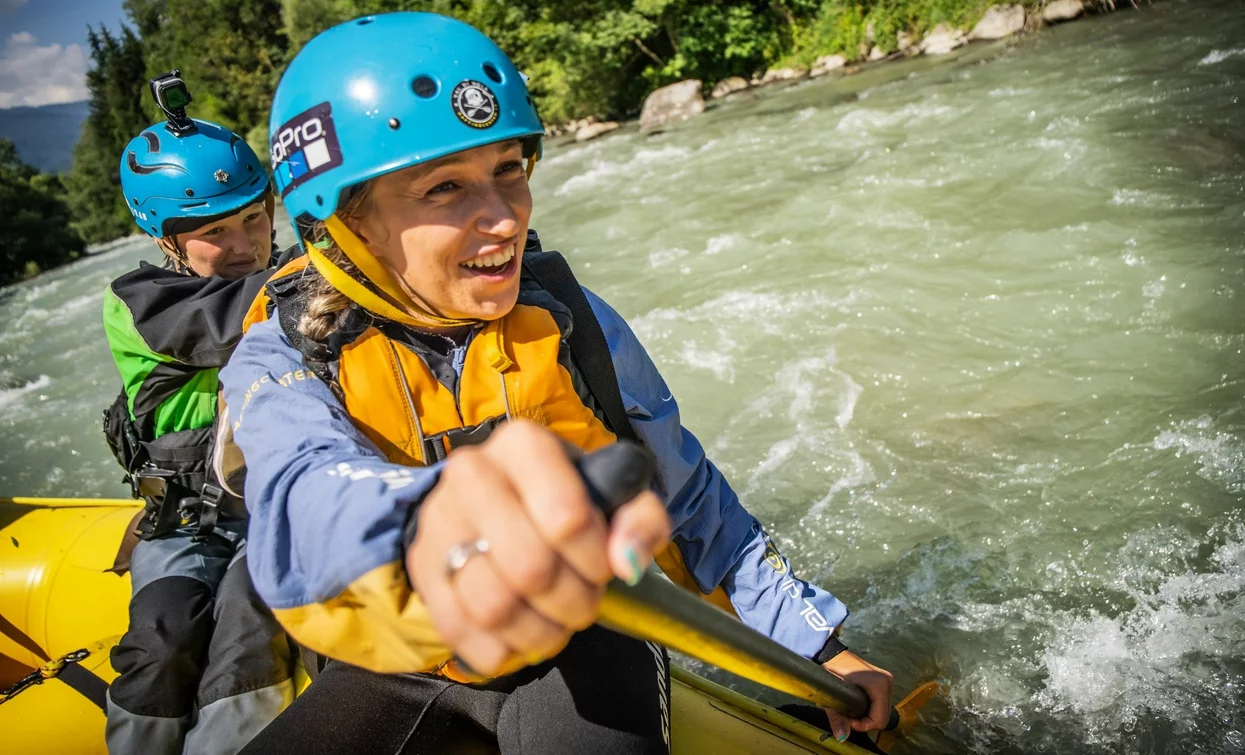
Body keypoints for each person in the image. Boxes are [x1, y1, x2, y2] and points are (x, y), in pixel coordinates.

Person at [221, 12, 893, 754]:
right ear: (342, 223)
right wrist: (425, 520)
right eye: (445, 187)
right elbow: (298, 497)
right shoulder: (281, 356)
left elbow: (691, 504)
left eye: (509, 170)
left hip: (590, 628)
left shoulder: (572, 321)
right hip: (408, 657)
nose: (505, 218)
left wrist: (818, 646)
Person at [100, 72, 295, 755]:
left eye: (254, 215)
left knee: (249, 627)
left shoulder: (298, 272)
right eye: (216, 231)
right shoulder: (140, 304)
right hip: (182, 525)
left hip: (273, 516)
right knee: (160, 641)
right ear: (168, 241)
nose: (245, 242)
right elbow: (236, 316)